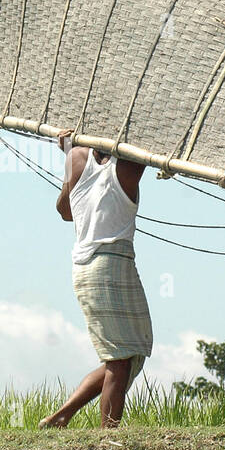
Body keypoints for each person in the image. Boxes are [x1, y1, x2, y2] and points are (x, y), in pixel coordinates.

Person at [39, 129, 153, 428]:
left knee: (127, 354)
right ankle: (107, 433)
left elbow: (65, 210)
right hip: (111, 264)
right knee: (121, 359)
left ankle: (62, 415)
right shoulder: (130, 161)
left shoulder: (76, 157)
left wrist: (68, 158)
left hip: (83, 267)